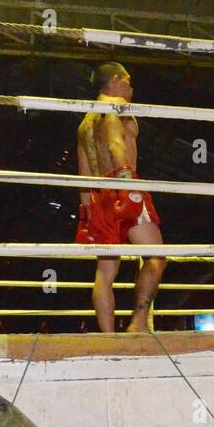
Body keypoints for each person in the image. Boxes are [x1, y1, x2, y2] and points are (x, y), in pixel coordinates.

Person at [74, 62, 166, 333]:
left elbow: (83, 172)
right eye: (128, 82)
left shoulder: (84, 123)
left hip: (98, 195)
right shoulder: (115, 105)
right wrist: (128, 184)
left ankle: (108, 337)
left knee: (104, 274)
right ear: (114, 80)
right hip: (122, 182)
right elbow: (115, 143)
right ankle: (138, 324)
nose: (131, 89)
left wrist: (86, 213)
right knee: (156, 257)